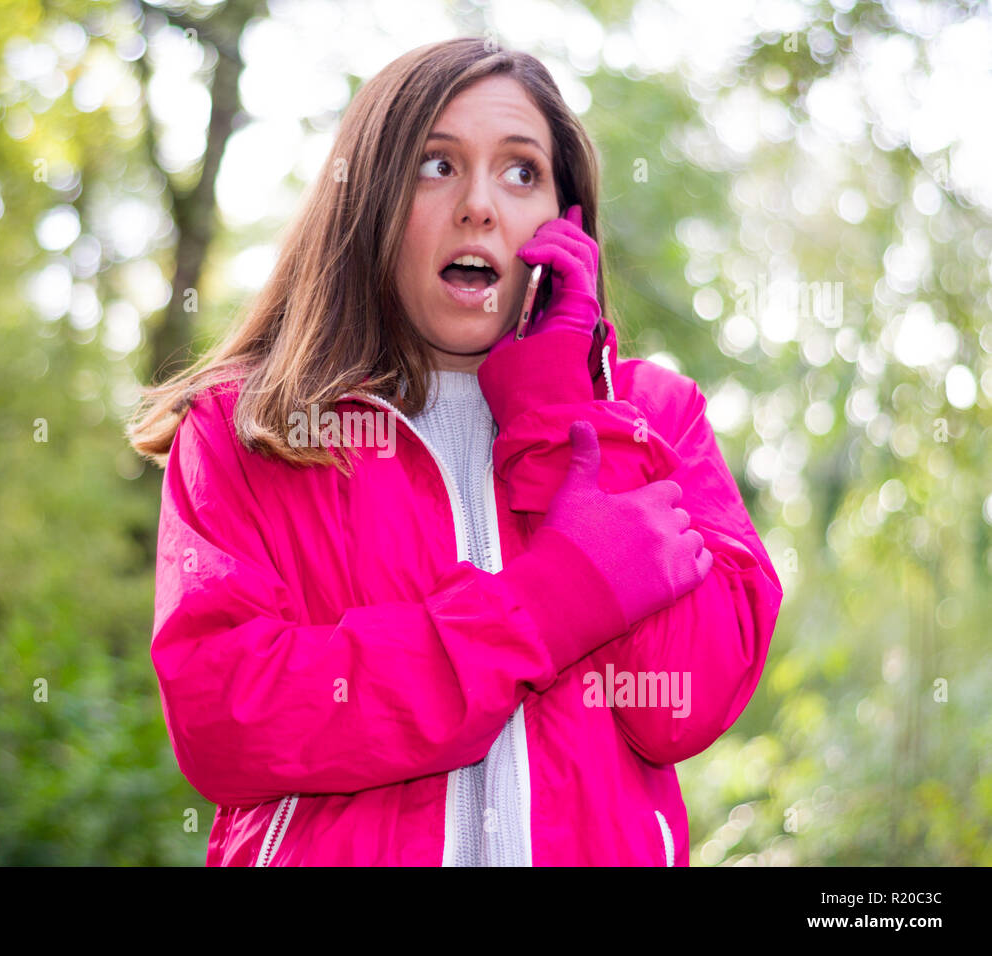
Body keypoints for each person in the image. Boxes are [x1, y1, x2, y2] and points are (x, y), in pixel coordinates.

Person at [128, 36, 783, 866]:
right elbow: (226, 721)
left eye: (521, 173)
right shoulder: (248, 425)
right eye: (436, 165)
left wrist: (564, 413)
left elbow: (680, 708)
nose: (481, 204)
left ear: (563, 222)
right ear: (368, 197)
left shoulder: (655, 415)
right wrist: (538, 614)